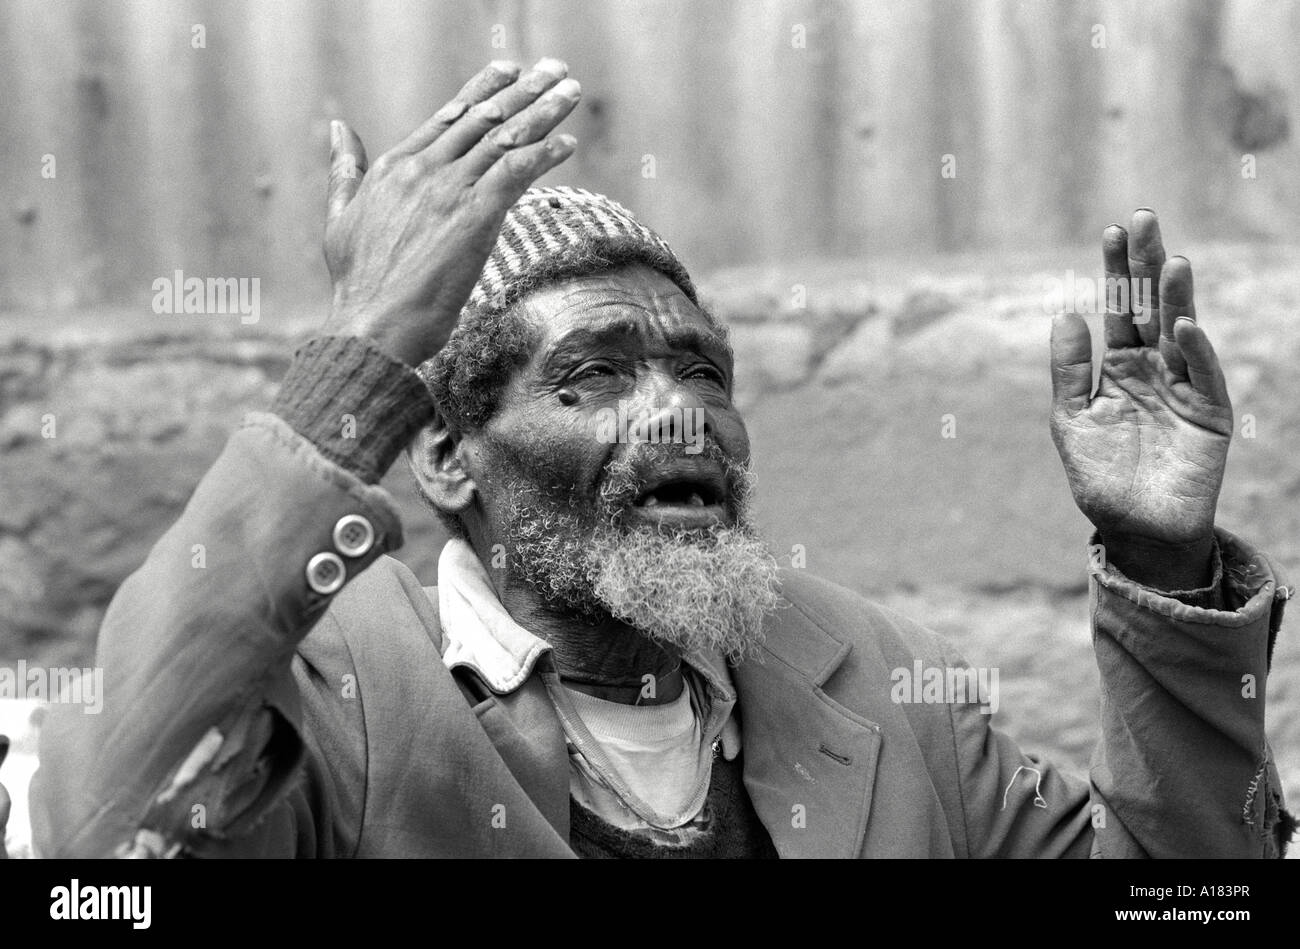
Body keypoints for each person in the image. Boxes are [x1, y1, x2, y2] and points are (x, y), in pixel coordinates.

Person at [20, 58, 1294, 858]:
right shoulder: (329, 693)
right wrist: (362, 355)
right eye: (595, 376)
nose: (682, 415)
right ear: (450, 458)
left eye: (704, 372)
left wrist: (1158, 561)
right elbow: (96, 843)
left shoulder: (875, 677)